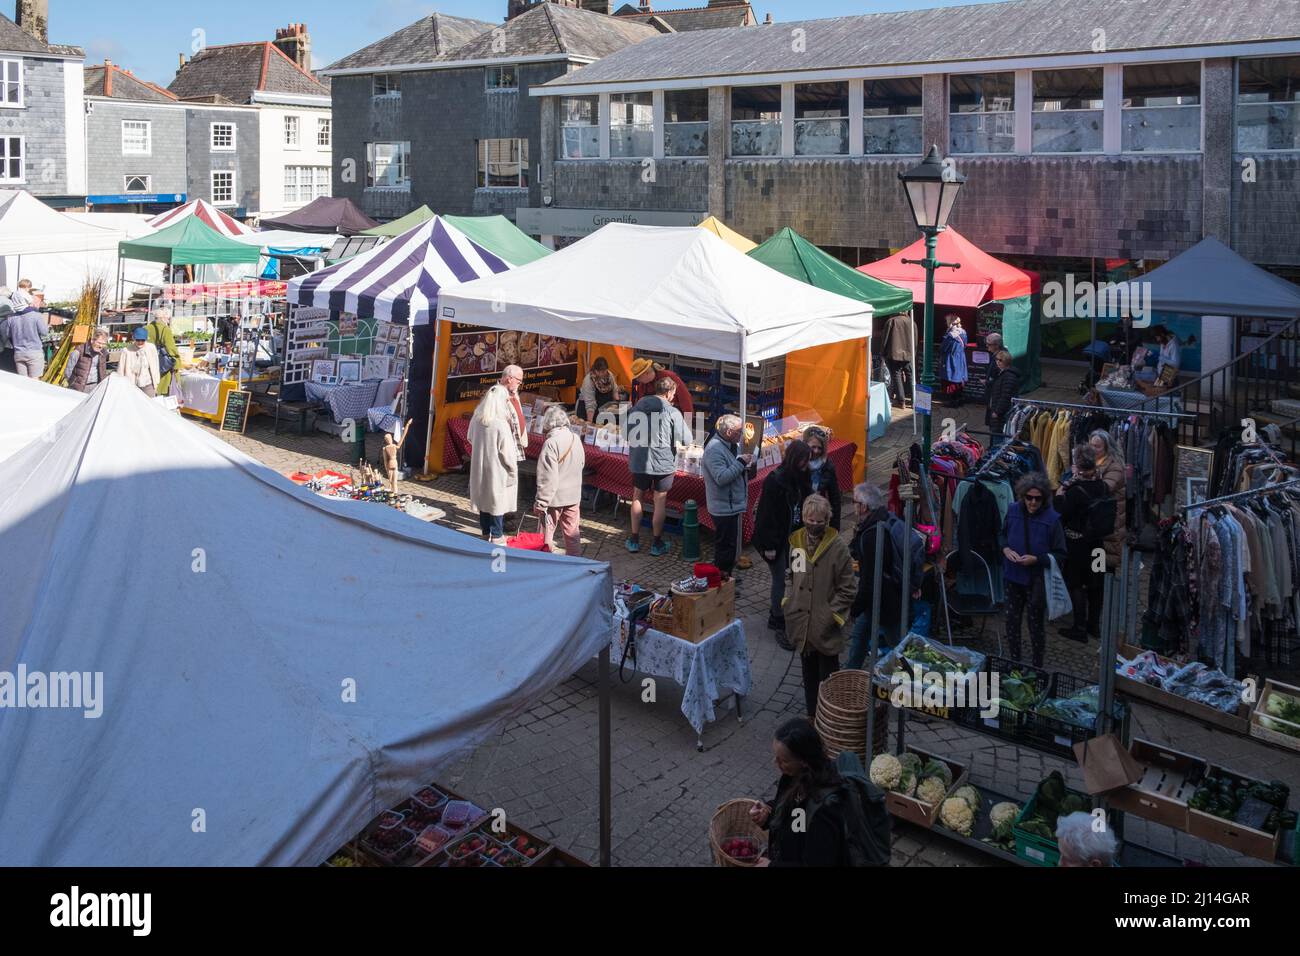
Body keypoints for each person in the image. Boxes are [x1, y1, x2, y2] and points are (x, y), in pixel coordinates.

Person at [748, 718, 858, 867]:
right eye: (776, 757)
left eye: (783, 760)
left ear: (804, 761)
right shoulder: (794, 776)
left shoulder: (825, 810)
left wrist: (771, 866)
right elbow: (795, 817)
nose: (776, 763)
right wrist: (768, 814)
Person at [783, 494, 855, 717]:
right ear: (803, 517)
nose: (814, 524)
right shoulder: (796, 542)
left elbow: (848, 589)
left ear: (827, 519)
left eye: (819, 521)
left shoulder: (839, 548)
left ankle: (829, 721)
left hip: (825, 629)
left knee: (827, 679)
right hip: (802, 625)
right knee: (808, 676)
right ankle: (812, 718)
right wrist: (788, 601)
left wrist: (830, 616)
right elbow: (791, 576)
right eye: (810, 520)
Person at [847, 482, 924, 668]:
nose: (852, 505)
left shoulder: (872, 534)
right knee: (859, 637)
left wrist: (855, 608)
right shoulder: (884, 518)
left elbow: (869, 580)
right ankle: (849, 674)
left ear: (863, 506)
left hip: (885, 602)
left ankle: (912, 678)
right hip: (882, 599)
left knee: (898, 646)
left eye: (854, 501)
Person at [1002, 472, 1067, 668]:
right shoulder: (1012, 511)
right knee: (1011, 623)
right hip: (1013, 577)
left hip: (1036, 581)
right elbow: (1002, 536)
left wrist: (1037, 560)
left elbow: (1061, 554)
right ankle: (1014, 662)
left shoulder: (1053, 520)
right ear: (1022, 496)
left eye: (1037, 499)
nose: (1032, 503)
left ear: (1044, 498)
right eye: (1029, 498)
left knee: (1035, 626)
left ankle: (1036, 667)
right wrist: (1005, 549)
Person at [752, 439, 812, 650]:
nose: (806, 465)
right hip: (776, 540)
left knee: (798, 573)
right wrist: (769, 546)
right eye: (804, 461)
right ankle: (776, 616)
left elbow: (807, 500)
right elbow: (766, 515)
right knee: (779, 578)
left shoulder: (802, 476)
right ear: (795, 459)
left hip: (796, 537)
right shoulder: (775, 480)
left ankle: (793, 610)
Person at [1053, 445, 1111, 643]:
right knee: (1096, 584)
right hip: (1098, 544)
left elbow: (1060, 512)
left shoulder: (1074, 490)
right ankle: (1094, 625)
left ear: (1077, 465)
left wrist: (1060, 494)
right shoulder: (1102, 485)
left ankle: (1079, 627)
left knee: (1076, 583)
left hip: (1077, 544)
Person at [626, 375, 689, 556]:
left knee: (637, 495)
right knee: (659, 500)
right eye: (674, 393)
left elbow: (627, 432)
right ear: (669, 393)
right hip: (663, 462)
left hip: (639, 460)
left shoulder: (638, 406)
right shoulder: (672, 413)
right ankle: (656, 543)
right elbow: (686, 439)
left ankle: (634, 540)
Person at [701, 413, 755, 577]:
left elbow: (733, 468)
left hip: (731, 504)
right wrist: (740, 463)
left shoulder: (731, 445)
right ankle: (721, 581)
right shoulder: (714, 449)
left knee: (729, 546)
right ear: (729, 432)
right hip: (723, 507)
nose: (742, 435)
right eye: (739, 431)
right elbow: (721, 478)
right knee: (725, 547)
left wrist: (746, 465)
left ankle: (727, 578)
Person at [467, 384, 519, 545]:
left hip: (479, 465)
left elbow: (469, 438)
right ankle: (497, 535)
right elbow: (508, 453)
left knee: (483, 498)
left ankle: (485, 532)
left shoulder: (477, 418)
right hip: (498, 468)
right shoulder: (500, 424)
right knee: (497, 501)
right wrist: (513, 470)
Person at [534, 404, 586, 556]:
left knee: (545, 536)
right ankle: (575, 564)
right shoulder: (575, 438)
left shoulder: (551, 443)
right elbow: (581, 463)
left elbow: (547, 477)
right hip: (573, 495)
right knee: (573, 535)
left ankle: (543, 565)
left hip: (554, 499)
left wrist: (541, 503)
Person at [1088, 429, 1126, 567]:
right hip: (1096, 522)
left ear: (1107, 448)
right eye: (1091, 445)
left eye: (1097, 446)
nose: (1093, 449)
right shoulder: (1091, 463)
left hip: (1108, 524)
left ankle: (1103, 587)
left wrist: (1087, 475)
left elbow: (1106, 488)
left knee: (1102, 564)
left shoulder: (1114, 466)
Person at [630, 357, 694, 421]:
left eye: (638, 377)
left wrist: (687, 422)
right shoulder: (643, 385)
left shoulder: (669, 377)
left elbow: (685, 399)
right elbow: (640, 405)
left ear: (646, 373)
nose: (637, 380)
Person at [803, 426, 841, 530]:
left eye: (820, 448)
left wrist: (834, 528)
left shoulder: (827, 466)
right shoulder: (798, 465)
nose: (816, 451)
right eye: (813, 447)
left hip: (818, 518)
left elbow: (835, 498)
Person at [7, 287, 48, 379]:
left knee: (23, 383)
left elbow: (8, 335)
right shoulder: (36, 315)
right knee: (34, 384)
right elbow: (45, 332)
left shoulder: (10, 318)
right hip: (34, 353)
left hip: (18, 353)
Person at [984, 350, 1021, 444]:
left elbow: (1006, 396)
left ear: (1004, 361)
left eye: (999, 360)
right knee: (995, 433)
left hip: (1002, 414)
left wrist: (997, 411)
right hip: (998, 411)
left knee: (999, 437)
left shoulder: (1009, 376)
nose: (997, 362)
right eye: (996, 359)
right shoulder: (1002, 373)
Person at [881, 311, 915, 408]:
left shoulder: (891, 321)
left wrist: (882, 352)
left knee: (897, 375)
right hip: (909, 353)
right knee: (910, 375)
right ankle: (914, 401)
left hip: (894, 354)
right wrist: (914, 353)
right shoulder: (912, 322)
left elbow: (885, 339)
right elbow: (915, 339)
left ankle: (901, 401)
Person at [146, 307, 182, 397]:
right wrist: (178, 362)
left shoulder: (146, 328)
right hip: (162, 365)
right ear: (164, 318)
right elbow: (171, 348)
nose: (169, 320)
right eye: (168, 318)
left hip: (149, 362)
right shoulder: (165, 330)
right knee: (163, 390)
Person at [64, 326, 111, 393]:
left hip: (96, 386)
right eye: (99, 343)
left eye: (103, 344)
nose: (101, 346)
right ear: (92, 340)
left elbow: (103, 370)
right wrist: (74, 384)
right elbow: (68, 371)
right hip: (79, 387)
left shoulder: (103, 353)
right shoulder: (78, 352)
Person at [576, 356, 623, 423]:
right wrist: (590, 423)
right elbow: (590, 404)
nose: (602, 374)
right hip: (589, 412)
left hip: (604, 412)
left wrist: (618, 404)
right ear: (595, 370)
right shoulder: (589, 381)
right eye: (600, 371)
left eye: (604, 371)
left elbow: (614, 390)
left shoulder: (609, 376)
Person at [117, 326, 161, 396]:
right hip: (132, 385)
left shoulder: (151, 348)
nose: (140, 342)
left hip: (148, 383)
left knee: (149, 404)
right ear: (134, 339)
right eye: (138, 340)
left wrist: (156, 381)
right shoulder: (126, 350)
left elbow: (155, 365)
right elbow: (120, 369)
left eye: (142, 340)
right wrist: (120, 385)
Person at [498, 364, 529, 457]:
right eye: (519, 381)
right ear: (510, 379)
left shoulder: (513, 392)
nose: (520, 384)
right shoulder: (496, 395)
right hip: (505, 447)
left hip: (515, 445)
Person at [940, 314, 968, 407]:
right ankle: (959, 399)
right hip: (960, 358)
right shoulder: (963, 332)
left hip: (951, 359)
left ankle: (952, 401)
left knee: (951, 379)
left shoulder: (951, 335)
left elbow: (943, 348)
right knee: (959, 378)